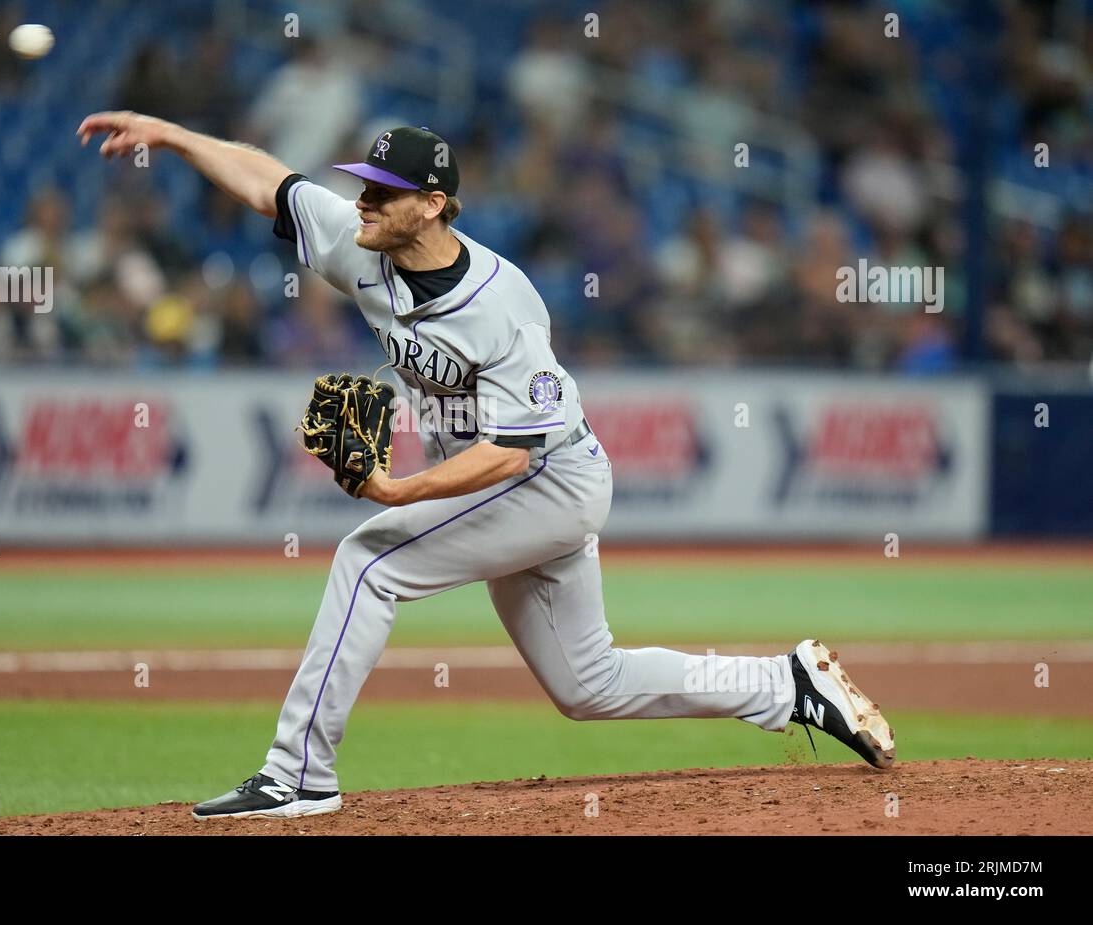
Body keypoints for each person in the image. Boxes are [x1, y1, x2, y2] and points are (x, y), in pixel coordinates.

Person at [77, 111, 897, 819]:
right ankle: (788, 685)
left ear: (432, 205)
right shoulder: (359, 243)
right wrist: (173, 136)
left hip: (550, 481)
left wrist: (400, 490)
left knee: (369, 559)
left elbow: (510, 454)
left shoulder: (502, 306)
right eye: (362, 185)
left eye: (381, 191)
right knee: (590, 683)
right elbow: (272, 184)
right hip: (513, 483)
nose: (361, 201)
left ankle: (297, 777)